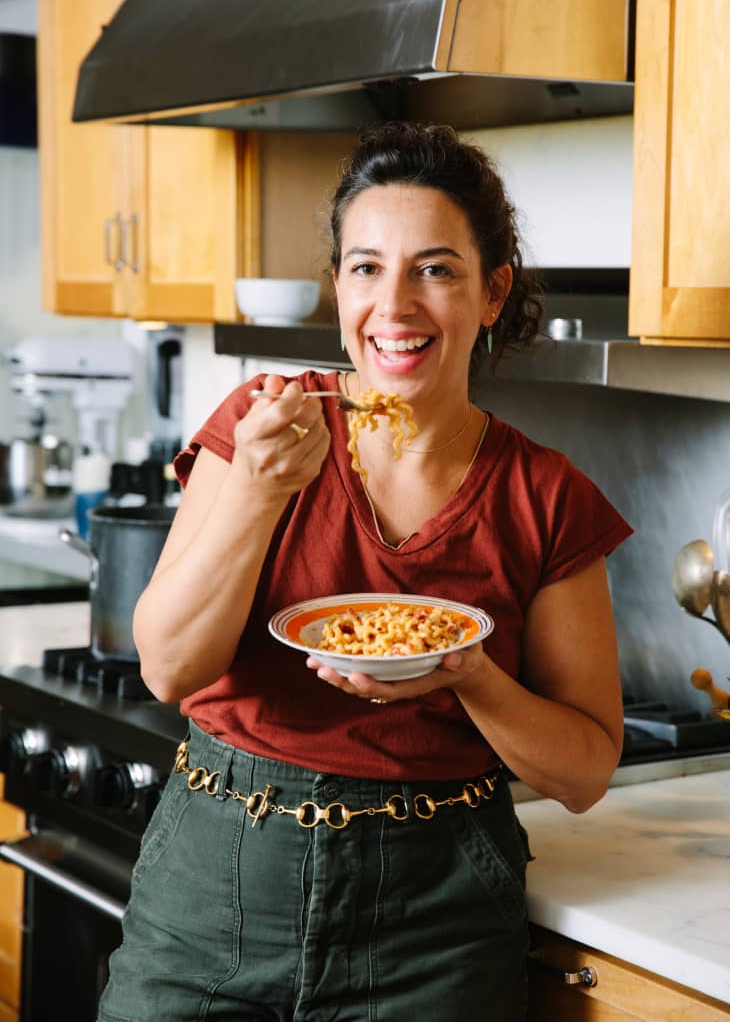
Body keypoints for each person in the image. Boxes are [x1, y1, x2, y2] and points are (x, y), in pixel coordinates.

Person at [98, 121, 632, 1022]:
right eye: (366, 267)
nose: (396, 304)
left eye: (436, 268)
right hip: (215, 889)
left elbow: (584, 770)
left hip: (439, 916)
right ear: (338, 287)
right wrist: (261, 495)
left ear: (493, 291)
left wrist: (468, 670)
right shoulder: (265, 423)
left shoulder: (546, 494)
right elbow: (167, 669)